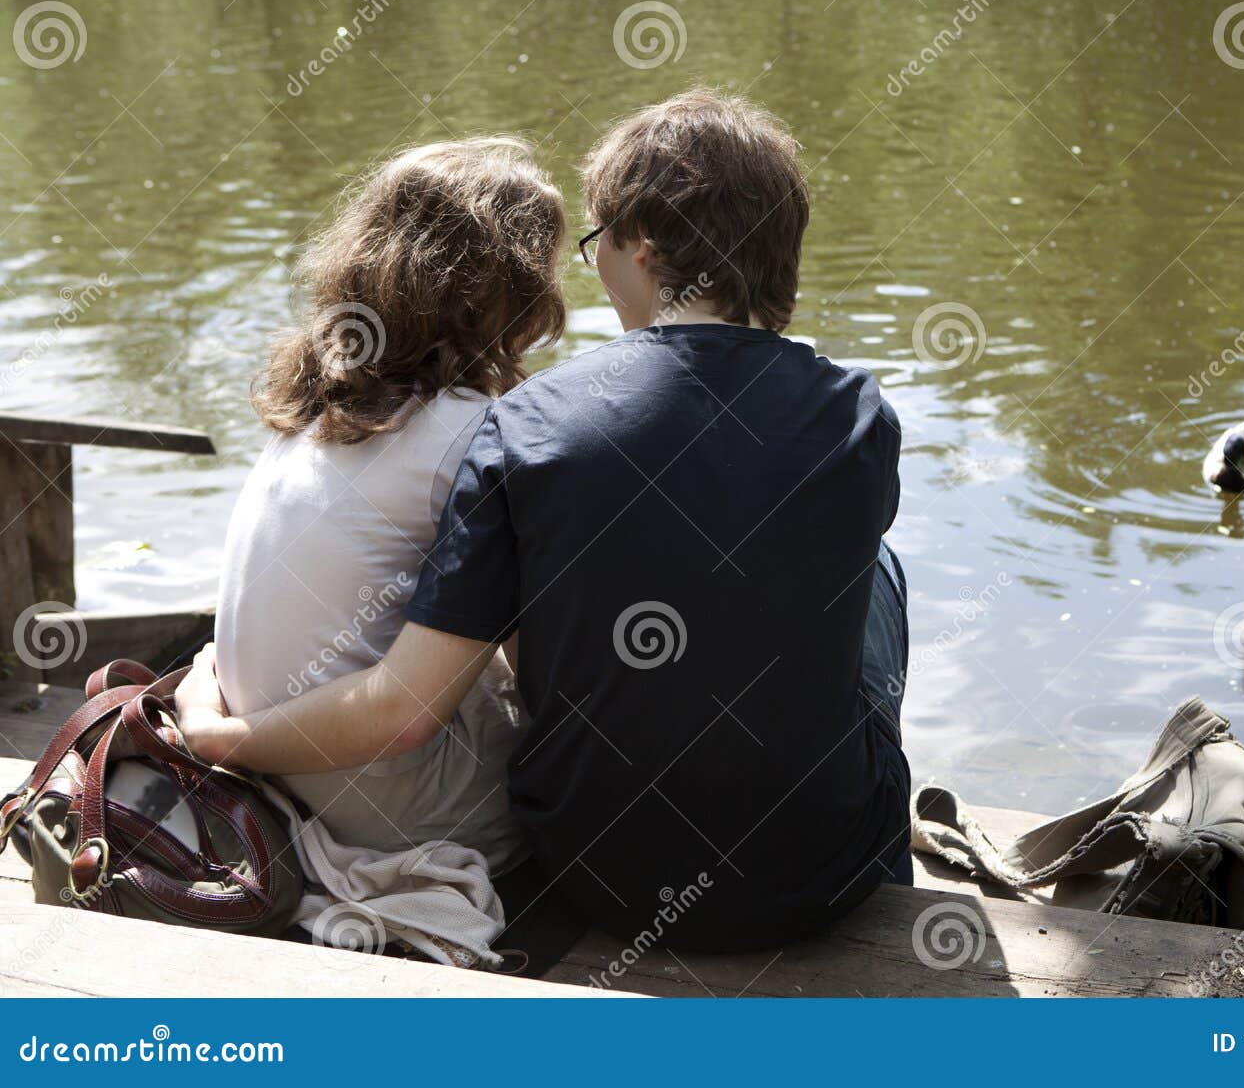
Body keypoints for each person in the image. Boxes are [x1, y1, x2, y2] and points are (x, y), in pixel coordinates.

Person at [179, 89, 911, 955]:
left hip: (596, 872)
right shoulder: (860, 415)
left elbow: (524, 678)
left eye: (593, 245)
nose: (587, 273)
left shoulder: (523, 424)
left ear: (642, 249)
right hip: (821, 875)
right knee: (878, 573)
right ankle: (879, 855)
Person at [202, 137, 566, 955]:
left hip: (277, 759)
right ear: (514, 289)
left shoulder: (320, 407)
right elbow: (545, 670)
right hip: (388, 800)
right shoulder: (478, 433)